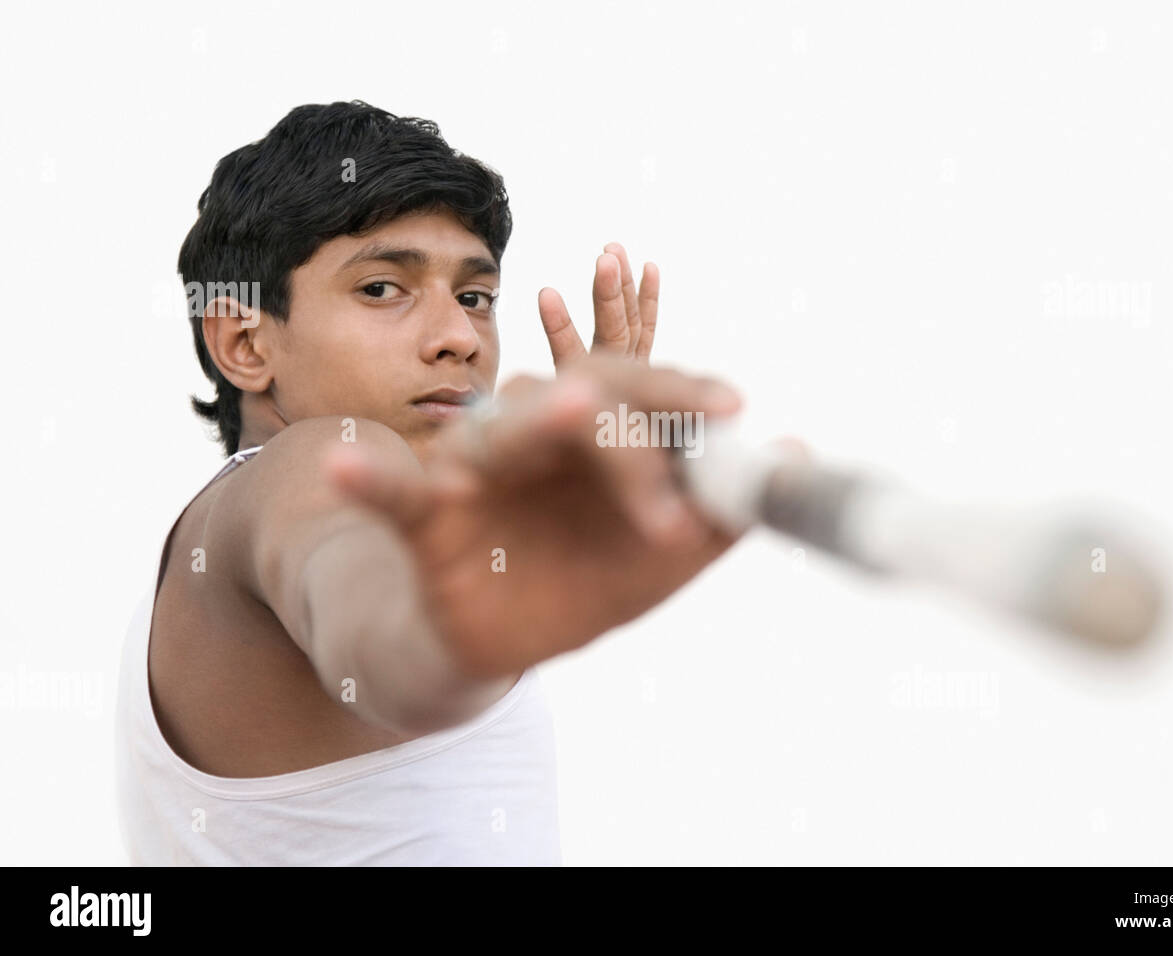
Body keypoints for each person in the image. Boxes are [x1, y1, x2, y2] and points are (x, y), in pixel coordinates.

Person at [114, 100, 746, 865]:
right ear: (245, 341)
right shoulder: (310, 464)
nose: (459, 338)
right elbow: (364, 616)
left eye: (474, 298)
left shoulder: (215, 555)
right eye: (383, 288)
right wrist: (458, 619)